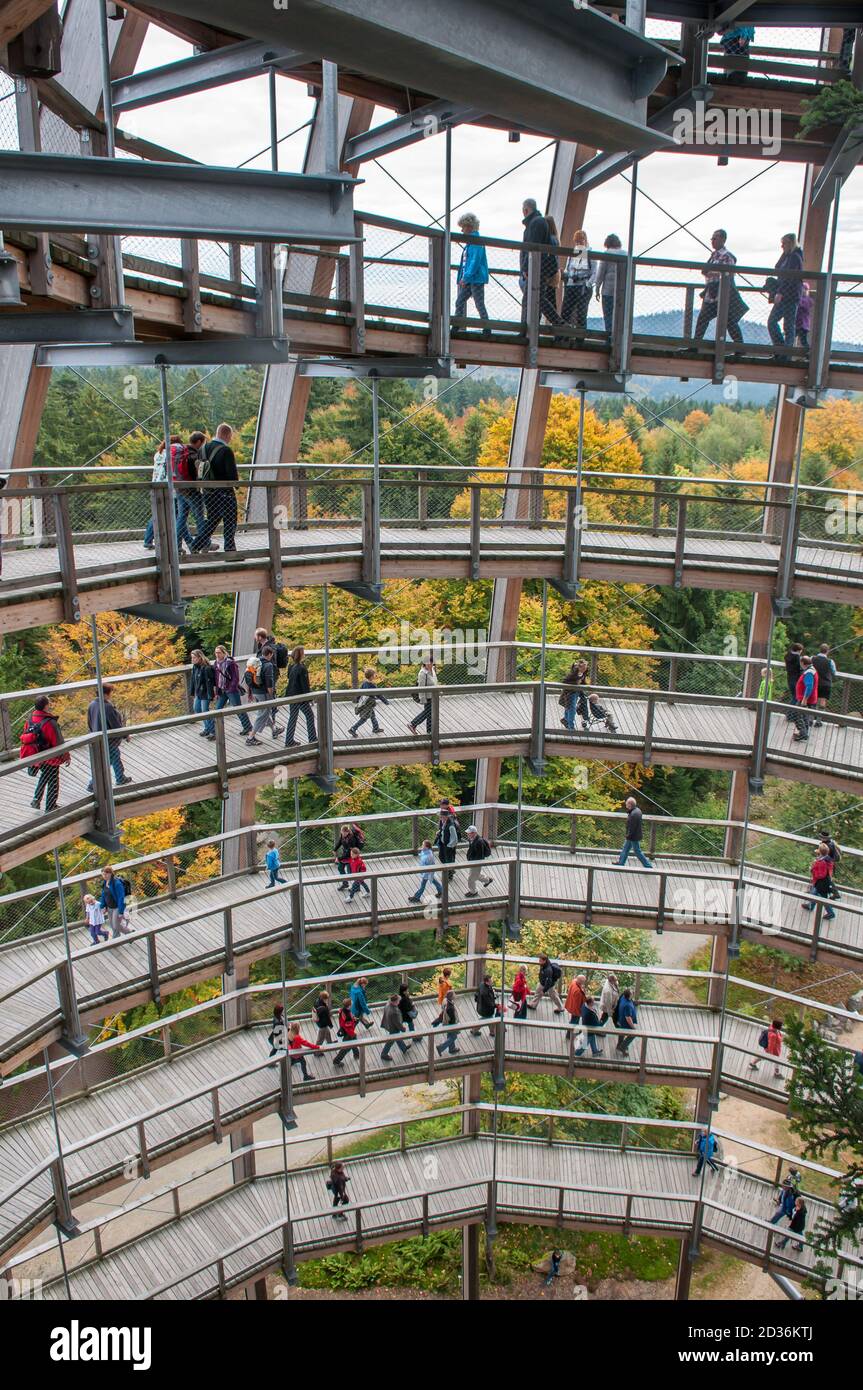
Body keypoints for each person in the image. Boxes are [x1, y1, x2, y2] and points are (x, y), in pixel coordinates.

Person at [189, 423, 244, 556]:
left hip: (208, 492)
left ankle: (195, 544)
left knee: (212, 520)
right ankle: (230, 548)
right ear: (227, 435)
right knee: (230, 520)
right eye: (230, 436)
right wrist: (236, 485)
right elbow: (232, 475)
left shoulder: (203, 449)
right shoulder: (226, 451)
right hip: (225, 493)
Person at [693, 230, 746, 344]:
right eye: (712, 238)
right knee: (703, 319)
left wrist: (713, 272)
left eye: (715, 238)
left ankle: (739, 346)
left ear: (723, 239)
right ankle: (695, 345)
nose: (712, 241)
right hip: (711, 292)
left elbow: (729, 274)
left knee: (729, 321)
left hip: (722, 293)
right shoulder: (714, 255)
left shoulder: (727, 256)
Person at [21, 695, 69, 813]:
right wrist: (66, 756)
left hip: (36, 756)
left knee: (45, 775)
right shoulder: (49, 722)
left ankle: (36, 799)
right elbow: (58, 742)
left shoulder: (30, 719)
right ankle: (50, 806)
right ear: (46, 706)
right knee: (53, 779)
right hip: (50, 756)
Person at [519, 198, 560, 326]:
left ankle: (525, 330)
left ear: (525, 210)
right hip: (541, 269)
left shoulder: (535, 223)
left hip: (536, 269)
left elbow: (532, 248)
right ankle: (560, 325)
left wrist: (525, 269)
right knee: (539, 299)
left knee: (531, 300)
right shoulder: (538, 222)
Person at [86, 684, 132, 789]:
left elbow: (89, 722)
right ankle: (93, 783)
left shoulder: (92, 704)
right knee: (110, 760)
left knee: (112, 758)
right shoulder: (107, 707)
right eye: (111, 692)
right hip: (109, 739)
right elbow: (116, 724)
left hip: (97, 738)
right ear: (106, 694)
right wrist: (125, 735)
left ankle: (120, 777)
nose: (111, 694)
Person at [767, 233, 804, 356]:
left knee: (785, 324)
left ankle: (784, 351)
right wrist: (784, 254)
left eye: (784, 243)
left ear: (790, 243)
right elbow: (777, 267)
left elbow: (790, 277)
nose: (782, 246)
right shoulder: (789, 256)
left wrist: (780, 292)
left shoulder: (795, 257)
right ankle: (782, 350)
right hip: (787, 294)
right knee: (783, 324)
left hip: (789, 295)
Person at [454, 212, 490, 334]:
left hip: (475, 278)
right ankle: (458, 325)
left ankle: (486, 327)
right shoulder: (472, 242)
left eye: (463, 227)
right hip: (472, 278)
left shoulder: (474, 242)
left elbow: (474, 261)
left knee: (477, 303)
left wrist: (465, 277)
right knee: (464, 301)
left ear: (469, 227)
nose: (462, 230)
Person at [560, 660, 618, 733]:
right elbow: (565, 681)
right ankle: (570, 727)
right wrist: (575, 684)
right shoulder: (573, 674)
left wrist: (585, 686)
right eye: (584, 667)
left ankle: (565, 720)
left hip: (577, 692)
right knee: (571, 709)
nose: (585, 669)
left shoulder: (582, 673)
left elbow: (583, 682)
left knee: (569, 707)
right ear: (579, 667)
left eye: (586, 667)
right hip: (570, 693)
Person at [244, 648, 280, 747]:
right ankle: (250, 737)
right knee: (263, 713)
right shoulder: (268, 665)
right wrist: (271, 695)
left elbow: (247, 677)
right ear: (270, 654)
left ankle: (274, 729)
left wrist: (249, 692)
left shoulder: (254, 662)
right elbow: (269, 682)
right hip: (264, 693)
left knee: (264, 711)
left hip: (255, 692)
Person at [213, 645, 252, 735]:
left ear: (224, 653)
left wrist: (231, 688)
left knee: (238, 708)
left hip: (231, 690)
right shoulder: (216, 663)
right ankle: (215, 731)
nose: (217, 655)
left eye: (219, 652)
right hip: (222, 690)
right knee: (217, 709)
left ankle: (247, 727)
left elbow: (235, 678)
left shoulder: (230, 663)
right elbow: (216, 677)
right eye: (216, 652)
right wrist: (217, 690)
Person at [560, 230, 595, 331]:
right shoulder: (572, 255)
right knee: (565, 312)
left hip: (583, 286)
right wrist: (569, 275)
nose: (579, 244)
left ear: (585, 240)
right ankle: (564, 335)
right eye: (577, 242)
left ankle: (580, 338)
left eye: (580, 241)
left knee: (581, 313)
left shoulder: (590, 254)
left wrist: (588, 284)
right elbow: (568, 268)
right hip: (571, 285)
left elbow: (594, 272)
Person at [284, 645, 317, 746]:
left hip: (291, 695)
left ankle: (289, 740)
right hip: (300, 697)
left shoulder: (291, 666)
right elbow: (305, 685)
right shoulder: (302, 668)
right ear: (301, 655)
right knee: (310, 716)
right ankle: (312, 738)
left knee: (293, 717)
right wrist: (309, 698)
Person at [349, 667, 390, 737]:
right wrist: (386, 701)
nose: (375, 675)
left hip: (364, 702)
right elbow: (379, 694)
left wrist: (358, 700)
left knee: (372, 715)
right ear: (371, 676)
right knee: (364, 718)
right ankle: (353, 728)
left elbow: (360, 692)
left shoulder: (364, 683)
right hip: (369, 703)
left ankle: (375, 728)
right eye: (374, 674)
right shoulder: (372, 685)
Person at [595, 234, 622, 336]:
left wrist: (597, 289)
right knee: (619, 315)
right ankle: (618, 337)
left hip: (608, 290)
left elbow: (600, 273)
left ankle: (609, 336)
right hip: (621, 290)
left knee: (608, 315)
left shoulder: (606, 254)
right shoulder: (625, 254)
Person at [803, 842, 836, 922]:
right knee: (815, 894)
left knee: (822, 897)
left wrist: (812, 869)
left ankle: (831, 913)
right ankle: (810, 905)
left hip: (820, 882)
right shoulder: (828, 860)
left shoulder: (820, 862)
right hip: (825, 881)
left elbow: (820, 875)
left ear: (820, 851)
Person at [617, 797, 652, 868]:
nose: (626, 803)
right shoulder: (637, 810)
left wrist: (628, 836)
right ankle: (621, 862)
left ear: (629, 804)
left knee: (637, 851)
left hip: (633, 836)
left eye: (627, 802)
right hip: (634, 835)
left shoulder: (633, 814)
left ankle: (648, 865)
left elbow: (632, 828)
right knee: (625, 848)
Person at [189, 649, 216, 741]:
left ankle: (213, 731)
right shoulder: (195, 667)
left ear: (200, 657)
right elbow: (193, 680)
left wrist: (210, 695)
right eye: (192, 658)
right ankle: (207, 728)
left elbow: (210, 683)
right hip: (198, 693)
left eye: (194, 657)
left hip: (205, 693)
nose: (192, 659)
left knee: (205, 711)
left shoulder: (206, 668)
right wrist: (192, 692)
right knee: (197, 709)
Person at [99, 865, 132, 938]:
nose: (104, 876)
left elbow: (121, 898)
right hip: (109, 907)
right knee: (112, 925)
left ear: (110, 873)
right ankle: (120, 937)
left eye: (105, 874)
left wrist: (121, 911)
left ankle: (127, 935)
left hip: (117, 907)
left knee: (116, 925)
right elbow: (103, 894)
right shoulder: (105, 882)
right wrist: (102, 906)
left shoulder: (117, 883)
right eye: (102, 874)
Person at [407, 655, 437, 734]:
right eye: (428, 663)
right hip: (427, 697)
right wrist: (422, 699)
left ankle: (429, 731)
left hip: (433, 695)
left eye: (431, 663)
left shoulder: (432, 670)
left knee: (429, 713)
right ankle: (413, 724)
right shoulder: (422, 673)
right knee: (428, 712)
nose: (430, 665)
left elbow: (434, 682)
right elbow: (421, 688)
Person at [792, 654, 818, 742]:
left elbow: (809, 686)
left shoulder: (809, 673)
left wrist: (804, 699)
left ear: (803, 663)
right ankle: (804, 733)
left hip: (805, 699)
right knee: (804, 716)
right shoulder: (812, 670)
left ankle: (803, 734)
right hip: (807, 698)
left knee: (796, 715)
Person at [409, 838, 443, 904]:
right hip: (427, 872)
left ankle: (416, 897)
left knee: (422, 885)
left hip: (427, 873)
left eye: (423, 845)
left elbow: (430, 865)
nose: (422, 846)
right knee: (435, 882)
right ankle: (441, 891)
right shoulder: (425, 852)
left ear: (426, 847)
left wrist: (425, 872)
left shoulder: (429, 856)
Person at [334, 822, 366, 891]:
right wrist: (335, 849)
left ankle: (357, 887)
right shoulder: (343, 835)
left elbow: (349, 853)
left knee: (351, 872)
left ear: (347, 832)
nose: (342, 834)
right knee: (340, 867)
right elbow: (340, 841)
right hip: (345, 854)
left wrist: (339, 858)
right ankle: (345, 883)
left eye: (344, 833)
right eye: (341, 833)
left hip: (352, 856)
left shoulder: (352, 839)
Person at [381, 994, 412, 1060]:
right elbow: (397, 1023)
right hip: (393, 1028)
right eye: (398, 1000)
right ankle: (384, 1054)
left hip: (388, 1024)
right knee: (390, 1041)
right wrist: (403, 1029)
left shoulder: (388, 1004)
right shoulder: (394, 1011)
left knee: (397, 1037)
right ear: (395, 1001)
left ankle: (403, 1048)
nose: (399, 1001)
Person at [464, 825, 493, 896]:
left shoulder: (479, 842)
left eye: (469, 833)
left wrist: (474, 863)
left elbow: (480, 856)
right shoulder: (472, 839)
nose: (468, 834)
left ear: (474, 833)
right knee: (476, 875)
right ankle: (488, 880)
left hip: (476, 863)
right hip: (473, 861)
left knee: (471, 878)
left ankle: (473, 891)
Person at [332, 999, 360, 1066]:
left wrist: (353, 1018)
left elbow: (346, 1020)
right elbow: (347, 1024)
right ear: (349, 1006)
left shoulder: (343, 1010)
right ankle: (336, 1061)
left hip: (346, 1031)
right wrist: (354, 1021)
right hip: (349, 1033)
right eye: (351, 1004)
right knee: (345, 1049)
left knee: (354, 1041)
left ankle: (356, 1054)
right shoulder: (347, 1014)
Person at [812, 644, 836, 719]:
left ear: (820, 650)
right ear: (827, 651)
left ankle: (810, 719)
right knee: (822, 702)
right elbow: (834, 672)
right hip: (826, 684)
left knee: (813, 701)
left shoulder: (812, 658)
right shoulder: (830, 661)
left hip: (814, 683)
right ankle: (819, 721)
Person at [819, 827, 841, 899]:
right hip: (830, 865)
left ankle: (835, 893)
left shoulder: (827, 845)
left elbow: (826, 855)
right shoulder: (831, 843)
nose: (820, 838)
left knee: (826, 880)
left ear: (824, 838)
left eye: (821, 837)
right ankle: (835, 894)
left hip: (828, 866)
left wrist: (819, 855)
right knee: (827, 880)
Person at [436, 988, 460, 1055]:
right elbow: (452, 1019)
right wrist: (456, 1026)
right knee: (454, 1036)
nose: (455, 995)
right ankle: (441, 1047)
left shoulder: (445, 1001)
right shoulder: (450, 1008)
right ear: (451, 997)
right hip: (450, 1024)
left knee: (450, 1036)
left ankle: (452, 1049)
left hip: (446, 1022)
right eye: (454, 994)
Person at [615, 988, 638, 1056]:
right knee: (633, 1035)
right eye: (632, 993)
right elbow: (628, 1018)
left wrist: (634, 1003)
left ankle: (619, 1045)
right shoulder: (627, 1005)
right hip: (625, 1023)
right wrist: (633, 1027)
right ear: (629, 995)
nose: (633, 993)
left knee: (621, 1033)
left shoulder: (623, 997)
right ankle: (623, 1047)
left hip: (620, 1020)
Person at [784, 642, 804, 718]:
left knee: (794, 696)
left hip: (789, 678)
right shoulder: (797, 657)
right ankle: (789, 715)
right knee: (796, 697)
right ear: (799, 650)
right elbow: (800, 667)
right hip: (796, 679)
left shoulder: (787, 655)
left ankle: (790, 714)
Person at [796, 282, 812, 349]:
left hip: (803, 325)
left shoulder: (808, 300)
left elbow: (803, 306)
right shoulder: (800, 298)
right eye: (802, 289)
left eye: (805, 289)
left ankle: (808, 351)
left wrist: (798, 300)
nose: (804, 291)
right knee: (790, 337)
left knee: (803, 340)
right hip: (796, 323)